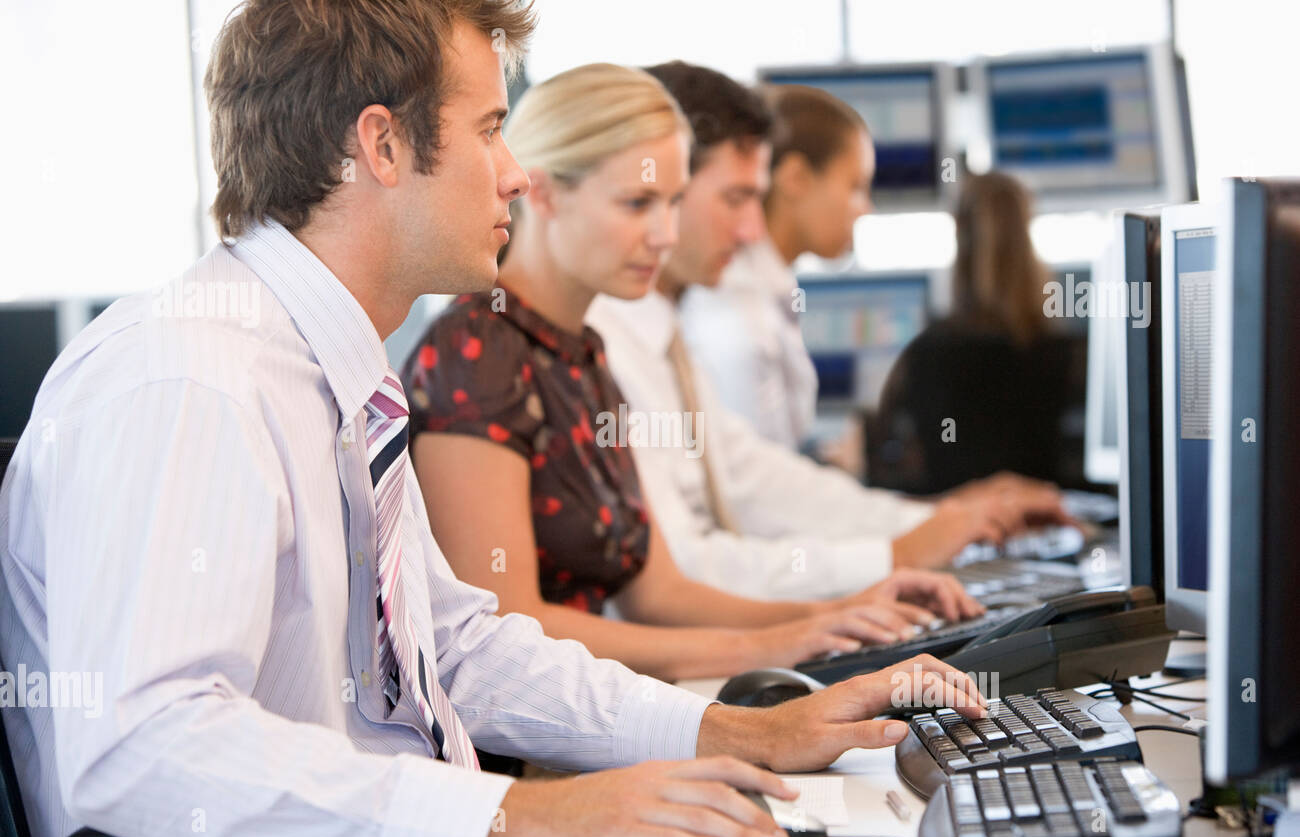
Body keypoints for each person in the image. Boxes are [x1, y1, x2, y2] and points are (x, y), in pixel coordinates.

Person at [0, 0, 987, 837]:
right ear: (382, 146)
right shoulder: (191, 376)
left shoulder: (329, 366)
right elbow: (142, 745)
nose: (515, 175)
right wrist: (519, 815)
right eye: (489, 130)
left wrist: (731, 728)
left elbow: (457, 646)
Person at [401, 63, 984, 685]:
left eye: (675, 203)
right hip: (530, 742)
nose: (665, 235)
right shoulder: (477, 351)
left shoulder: (585, 353)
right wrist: (769, 646)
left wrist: (833, 615)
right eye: (637, 204)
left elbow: (659, 594)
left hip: (606, 705)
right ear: (541, 194)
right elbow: (504, 627)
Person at [586, 62, 1076, 604]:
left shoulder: (665, 333)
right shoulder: (641, 342)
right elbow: (686, 569)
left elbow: (758, 481)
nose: (753, 229)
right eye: (735, 198)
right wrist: (898, 553)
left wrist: (940, 520)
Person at [869, 171, 1088, 494]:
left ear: (961, 241)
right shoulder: (1069, 357)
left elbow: (889, 466)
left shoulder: (924, 353)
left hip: (952, 532)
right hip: (1043, 528)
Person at [678, 83, 868, 453]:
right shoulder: (733, 311)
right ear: (796, 177)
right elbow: (750, 480)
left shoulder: (768, 289)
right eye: (856, 186)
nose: (865, 208)